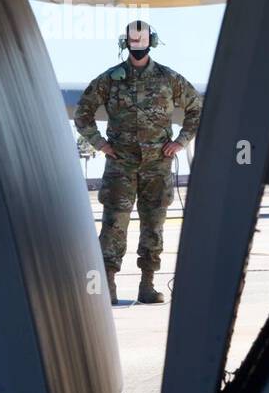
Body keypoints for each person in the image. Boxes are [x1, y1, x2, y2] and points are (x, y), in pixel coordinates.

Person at [74, 20, 202, 304]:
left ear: (151, 42)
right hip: (121, 165)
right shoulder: (110, 80)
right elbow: (83, 113)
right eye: (134, 43)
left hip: (158, 165)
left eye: (143, 42)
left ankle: (148, 285)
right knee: (113, 225)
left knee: (154, 224)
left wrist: (181, 142)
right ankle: (108, 286)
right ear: (126, 43)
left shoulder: (169, 79)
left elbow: (196, 109)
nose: (139, 48)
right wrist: (101, 144)